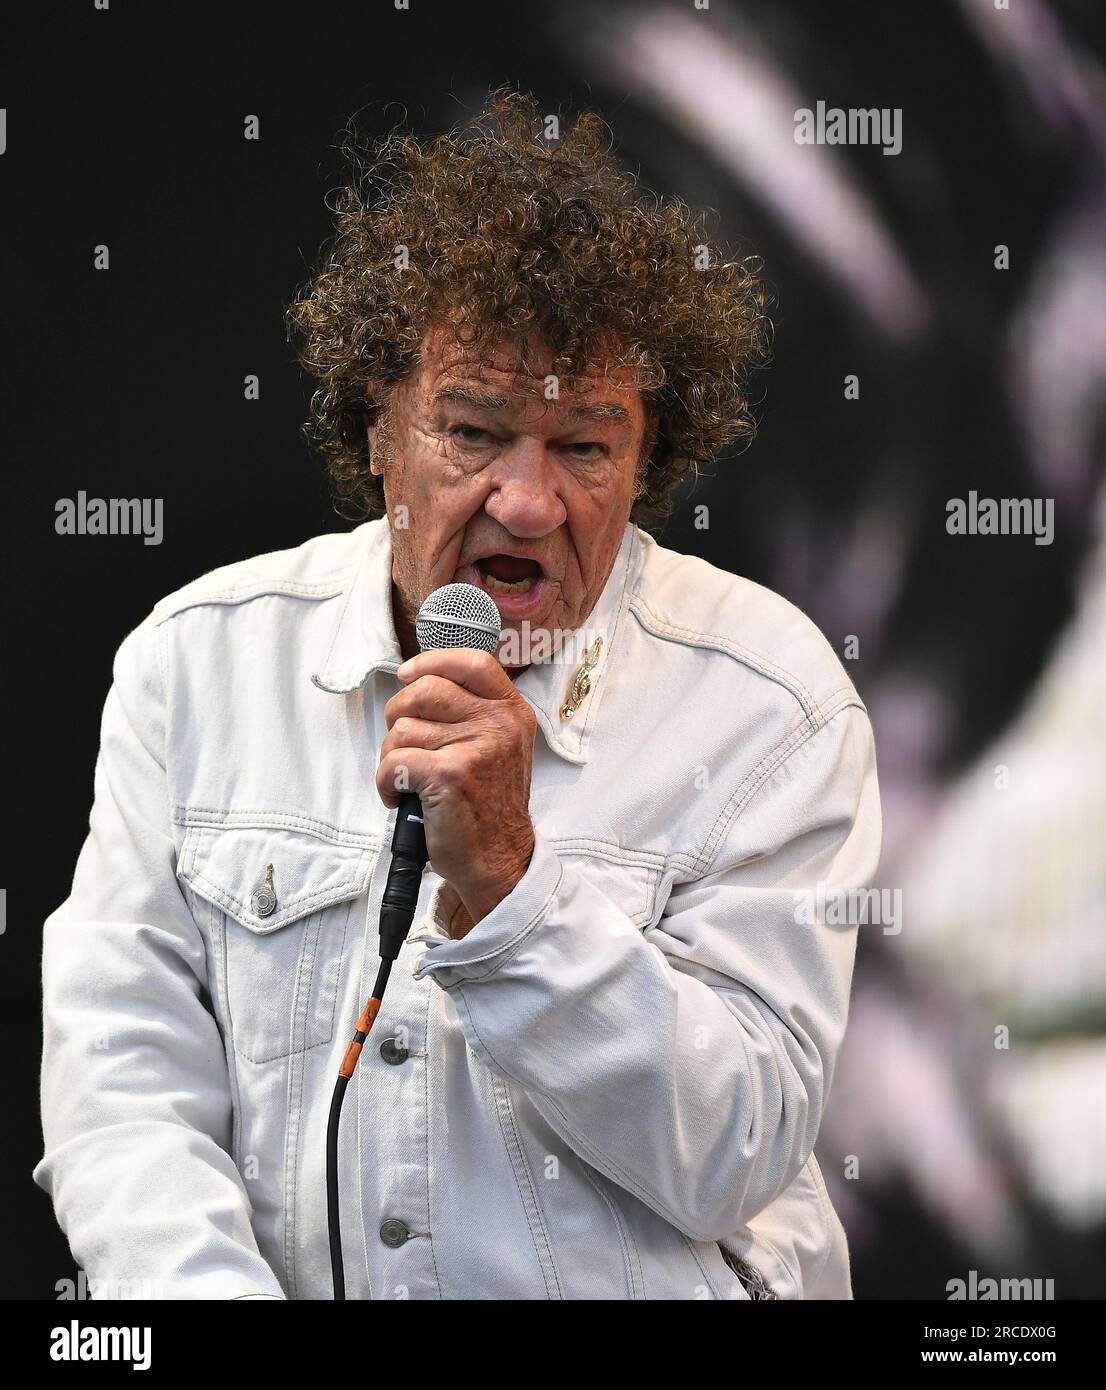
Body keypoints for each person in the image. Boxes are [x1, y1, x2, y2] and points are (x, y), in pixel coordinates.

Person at [35, 89, 881, 1300]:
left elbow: (735, 1152)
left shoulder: (770, 703)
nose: (527, 500)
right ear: (378, 427)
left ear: (649, 456)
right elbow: (122, 1089)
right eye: (474, 431)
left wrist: (512, 889)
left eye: (585, 446)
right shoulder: (196, 663)